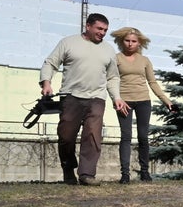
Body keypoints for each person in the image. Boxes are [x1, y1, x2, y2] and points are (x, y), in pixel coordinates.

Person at [40, 13, 127, 186]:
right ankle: (68, 169)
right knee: (66, 136)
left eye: (105, 30)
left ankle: (87, 174)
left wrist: (116, 97)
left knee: (93, 136)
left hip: (97, 98)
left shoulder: (108, 50)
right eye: (99, 29)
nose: (102, 33)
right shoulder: (68, 42)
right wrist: (46, 83)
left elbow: (113, 77)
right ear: (88, 26)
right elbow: (51, 63)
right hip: (71, 96)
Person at [112, 26, 175, 183]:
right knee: (126, 137)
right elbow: (111, 80)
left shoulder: (145, 60)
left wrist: (167, 101)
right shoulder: (116, 58)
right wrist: (116, 99)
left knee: (143, 137)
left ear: (139, 43)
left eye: (134, 41)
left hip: (143, 102)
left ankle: (145, 172)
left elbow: (152, 82)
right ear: (121, 41)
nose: (130, 44)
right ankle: (125, 174)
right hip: (124, 102)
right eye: (127, 40)